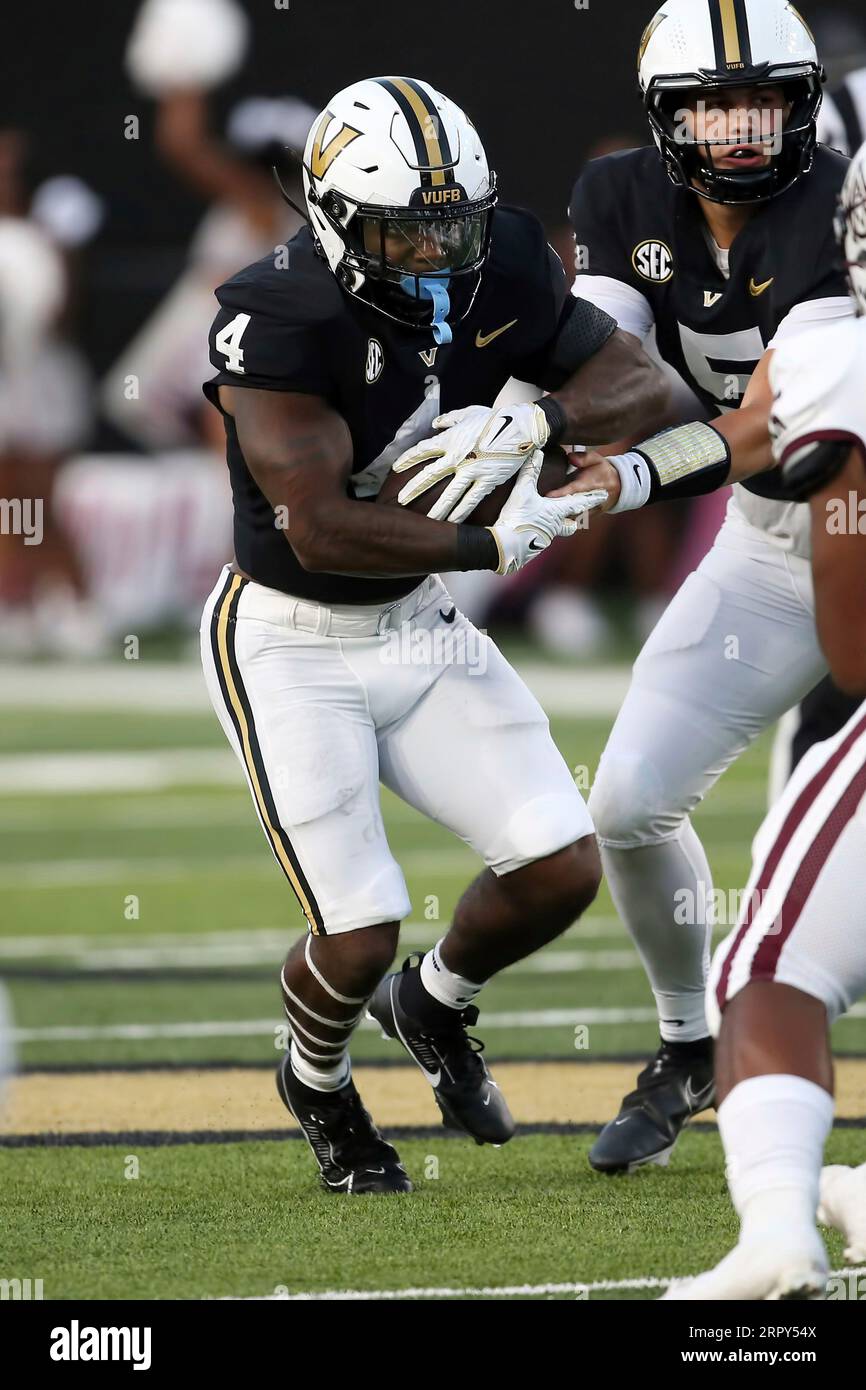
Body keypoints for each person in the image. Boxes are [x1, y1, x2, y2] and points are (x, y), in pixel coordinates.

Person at [200, 77, 666, 1194]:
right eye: (406, 226)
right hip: (291, 640)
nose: (435, 249)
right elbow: (314, 527)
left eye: (451, 221)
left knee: (558, 867)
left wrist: (538, 416)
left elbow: (639, 382)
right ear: (332, 217)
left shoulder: (499, 258)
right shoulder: (278, 315)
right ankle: (316, 1080)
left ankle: (438, 998)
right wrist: (491, 544)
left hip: (416, 625)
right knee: (354, 932)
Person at [544, 0, 856, 1172]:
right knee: (623, 801)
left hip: (842, 522)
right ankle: (685, 1043)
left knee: (822, 858)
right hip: (769, 554)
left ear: (800, 101)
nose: (738, 127)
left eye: (762, 98)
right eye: (711, 104)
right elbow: (608, 363)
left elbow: (770, 423)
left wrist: (620, 476)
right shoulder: (617, 197)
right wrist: (533, 419)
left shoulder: (834, 201)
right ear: (664, 115)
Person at [664, 140, 866, 1300]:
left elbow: (849, 654)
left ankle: (775, 1228)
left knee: (770, 969)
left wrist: (840, 500)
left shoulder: (834, 359)